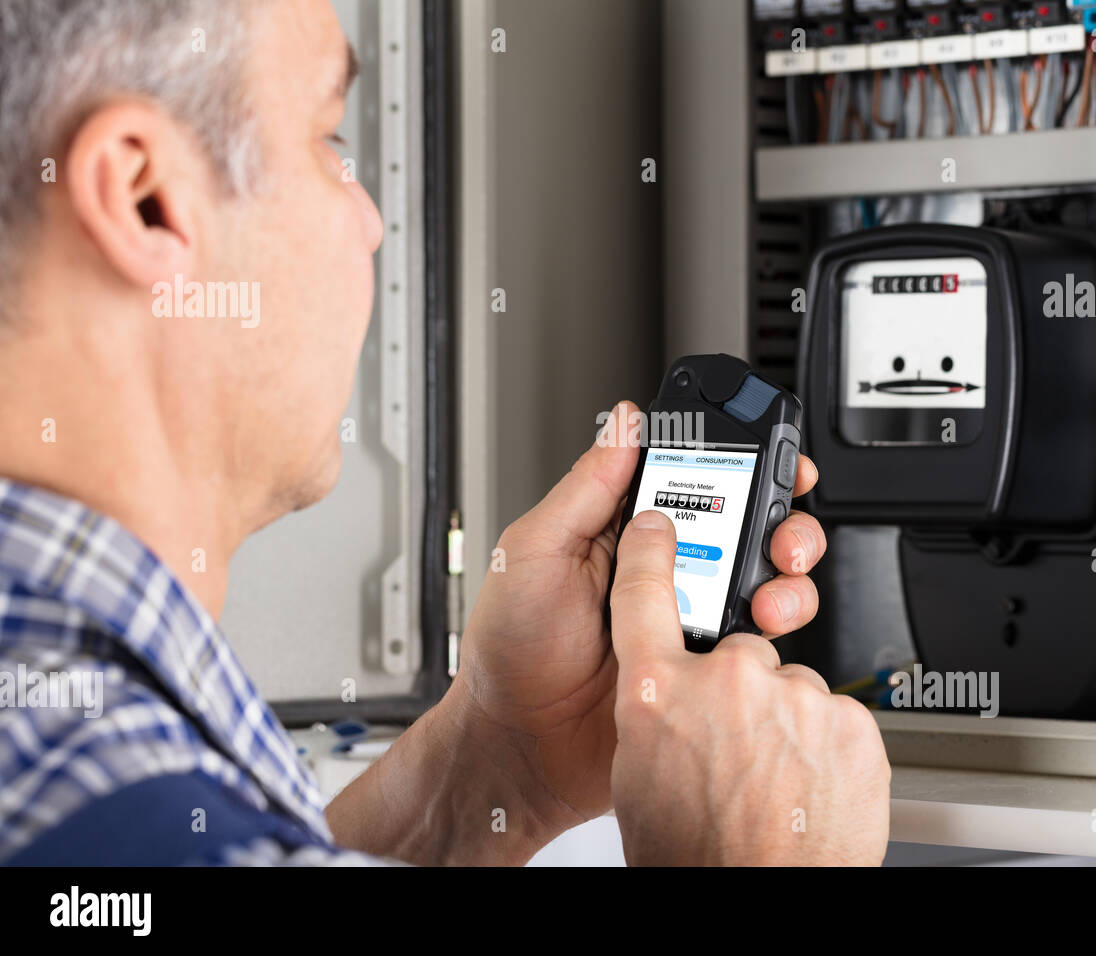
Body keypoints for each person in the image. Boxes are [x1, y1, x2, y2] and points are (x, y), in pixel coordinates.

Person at [0, 0, 890, 865]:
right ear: (145, 198)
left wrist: (503, 756)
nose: (371, 222)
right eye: (328, 142)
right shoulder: (110, 800)